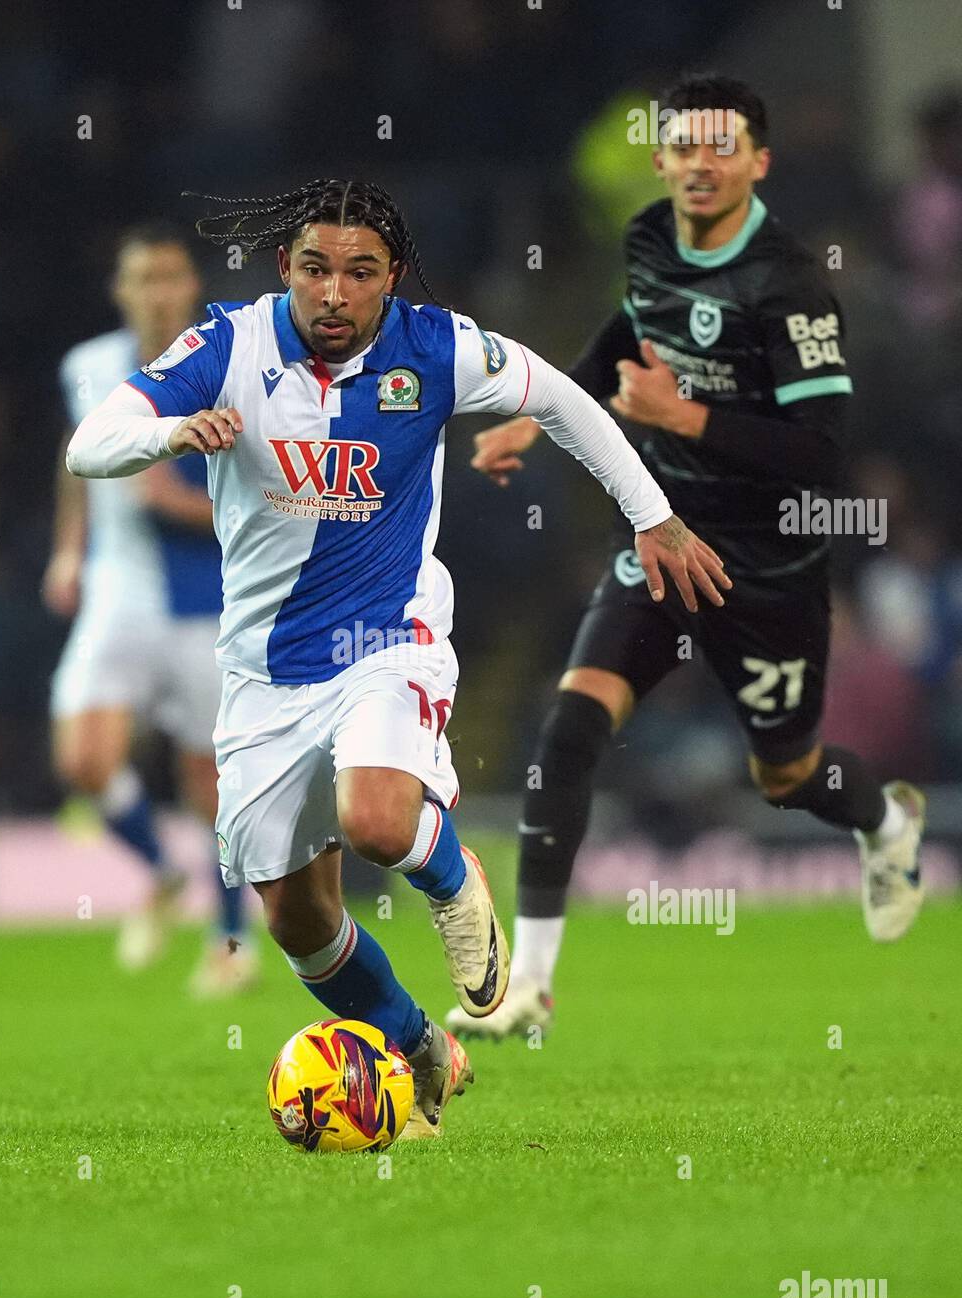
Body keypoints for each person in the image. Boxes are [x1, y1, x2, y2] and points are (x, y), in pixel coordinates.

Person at [65, 178, 726, 1136]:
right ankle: (418, 1046)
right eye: (315, 269)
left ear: (393, 278)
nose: (334, 292)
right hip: (259, 671)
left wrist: (653, 515)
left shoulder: (437, 348)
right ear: (285, 268)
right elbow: (93, 443)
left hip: (388, 638)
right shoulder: (227, 346)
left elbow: (563, 399)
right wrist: (171, 432)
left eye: (360, 272)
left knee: (377, 820)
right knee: (298, 921)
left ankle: (457, 885)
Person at [459, 74, 926, 1041]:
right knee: (570, 731)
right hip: (664, 538)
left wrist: (685, 416)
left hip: (766, 566)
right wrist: (535, 422)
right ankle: (529, 991)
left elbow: (819, 450)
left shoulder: (791, 285)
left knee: (787, 780)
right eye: (684, 146)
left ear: (759, 161)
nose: (700, 164)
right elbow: (624, 336)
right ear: (662, 158)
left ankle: (886, 823)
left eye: (724, 147)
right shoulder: (648, 245)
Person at [44, 224, 254, 997]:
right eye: (143, 279)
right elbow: (77, 454)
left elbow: (268, 494)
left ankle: (230, 941)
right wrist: (69, 548)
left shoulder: (231, 364)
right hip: (119, 588)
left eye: (171, 277)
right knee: (83, 760)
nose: (159, 292)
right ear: (121, 290)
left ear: (191, 286)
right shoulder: (90, 367)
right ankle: (163, 874)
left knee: (211, 785)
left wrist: (181, 506)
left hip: (208, 597)